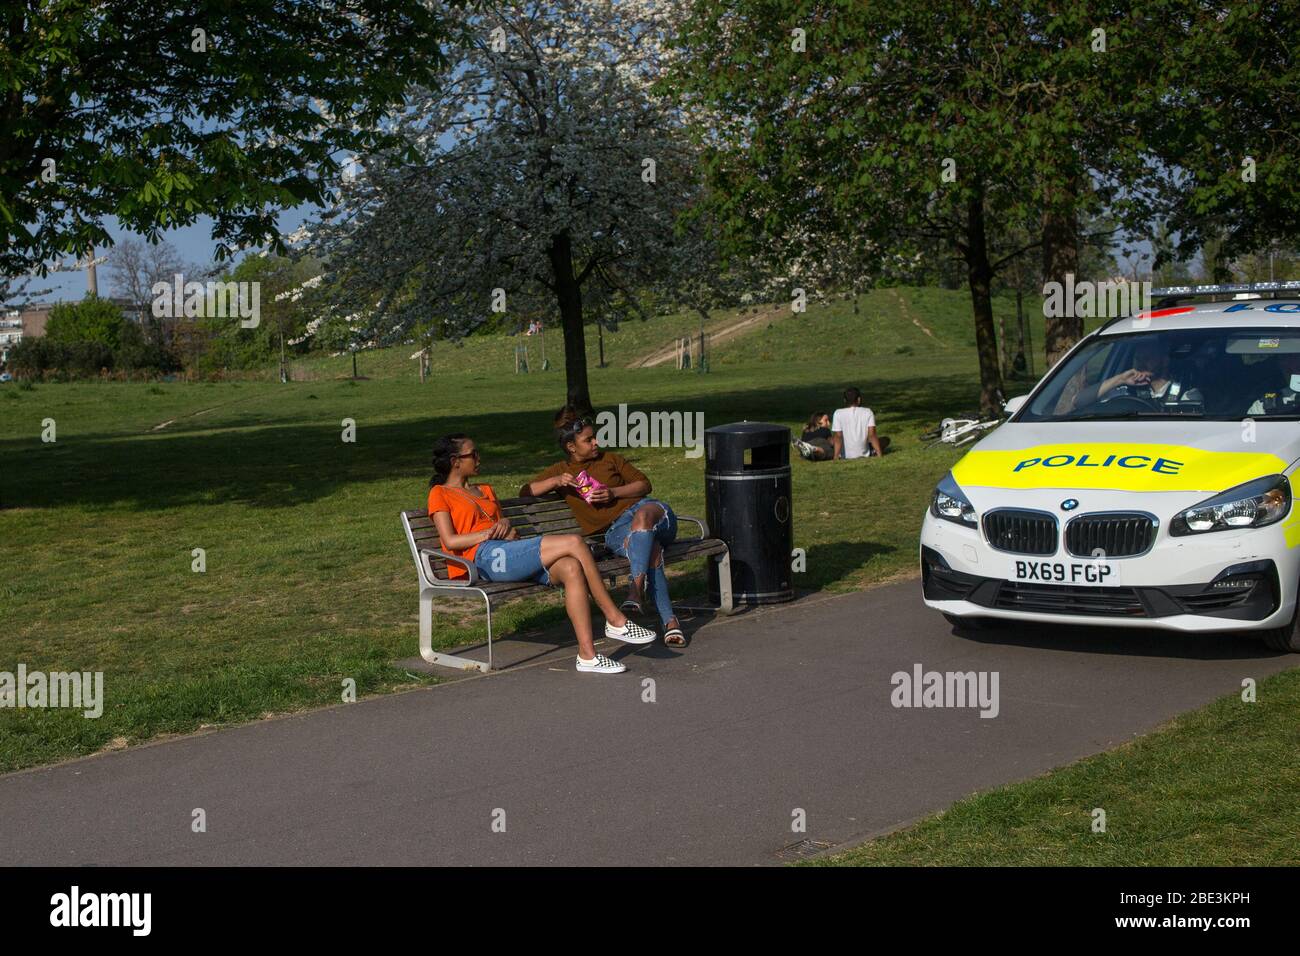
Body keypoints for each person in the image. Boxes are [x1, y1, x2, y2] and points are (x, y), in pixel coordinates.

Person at [428, 433, 655, 674]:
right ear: (455, 461)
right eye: (473, 454)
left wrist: (506, 526)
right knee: (574, 542)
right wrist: (489, 534)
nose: (478, 458)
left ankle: (588, 656)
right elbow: (450, 541)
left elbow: (506, 530)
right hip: (481, 560)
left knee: (570, 567)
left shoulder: (485, 489)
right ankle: (614, 618)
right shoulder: (440, 493)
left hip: (505, 552)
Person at [520, 408, 688, 647]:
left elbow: (644, 484)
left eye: (594, 437)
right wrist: (556, 481)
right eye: (588, 440)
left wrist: (613, 492)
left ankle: (635, 590)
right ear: (571, 447)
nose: (596, 442)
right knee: (650, 548)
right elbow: (526, 491)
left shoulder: (610, 459)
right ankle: (670, 622)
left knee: (642, 520)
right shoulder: (561, 471)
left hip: (651, 513)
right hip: (616, 532)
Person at [831, 387, 888, 459]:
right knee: (885, 440)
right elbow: (872, 435)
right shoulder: (868, 412)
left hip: (846, 455)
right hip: (864, 454)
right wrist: (879, 454)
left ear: (844, 400)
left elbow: (838, 437)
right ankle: (874, 451)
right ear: (858, 399)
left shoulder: (838, 413)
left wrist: (835, 456)